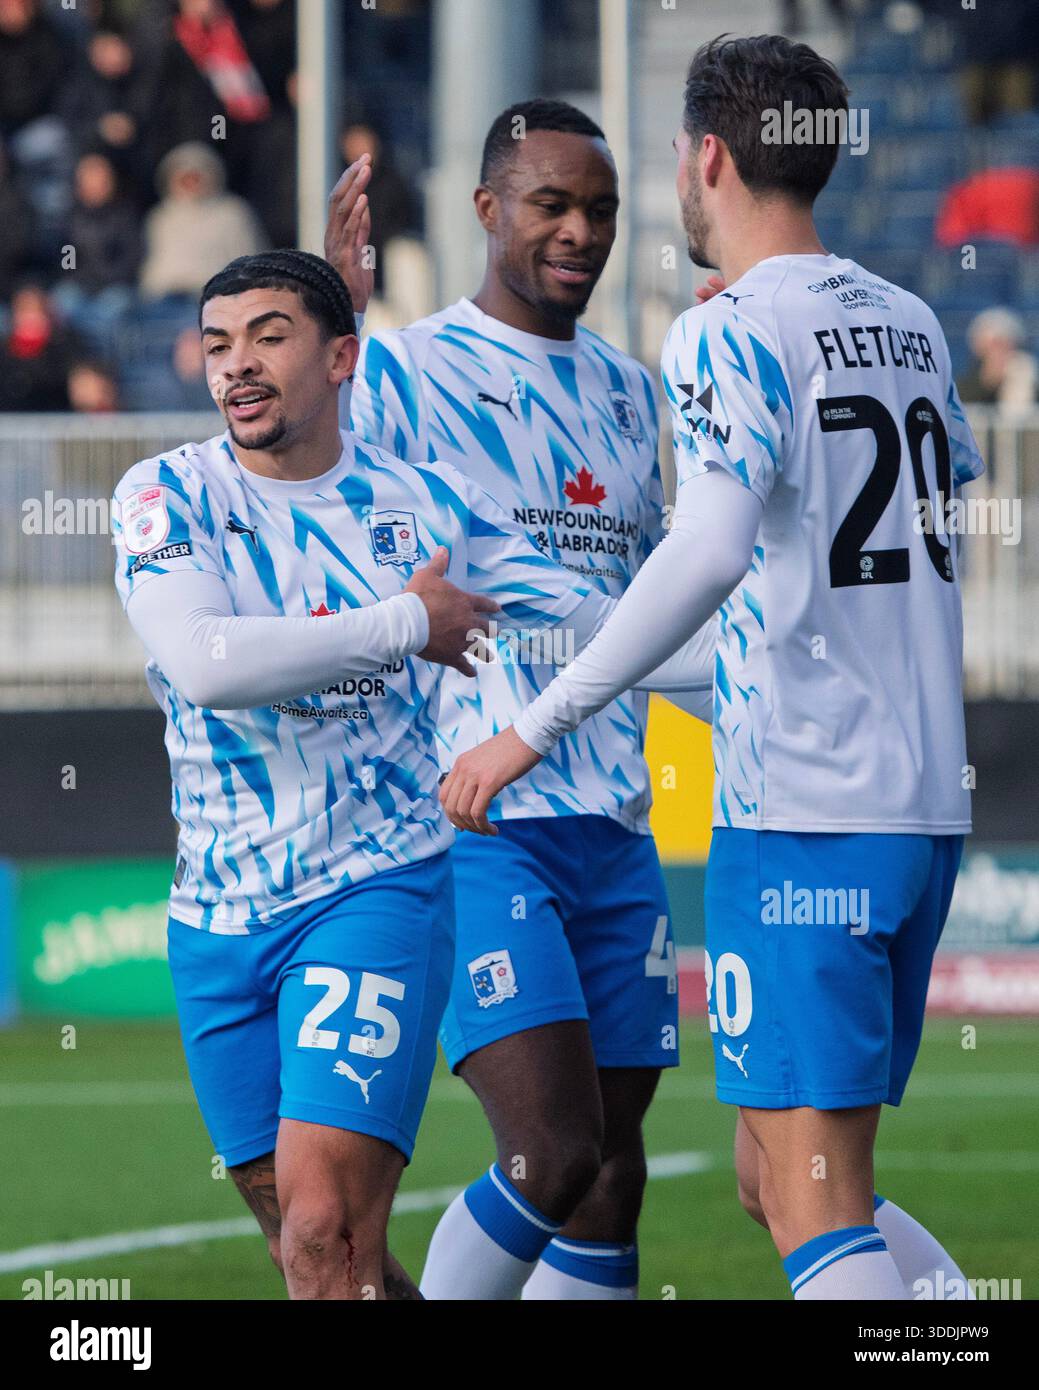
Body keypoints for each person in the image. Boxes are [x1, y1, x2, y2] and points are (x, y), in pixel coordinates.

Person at [441, 36, 985, 1302]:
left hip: (801, 811)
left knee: (813, 1212)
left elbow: (709, 554)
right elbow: (898, 518)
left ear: (706, 157)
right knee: (771, 1170)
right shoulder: (906, 319)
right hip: (916, 810)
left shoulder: (729, 329)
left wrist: (533, 725)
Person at [110, 249, 706, 1299]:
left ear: (343, 356)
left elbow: (598, 628)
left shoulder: (432, 506)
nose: (236, 365)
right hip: (214, 914)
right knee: (314, 1245)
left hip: (377, 885)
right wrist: (404, 624)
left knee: (324, 1224)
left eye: (268, 336)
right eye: (217, 344)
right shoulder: (165, 494)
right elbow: (205, 665)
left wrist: (762, 683)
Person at [327, 102, 714, 1302]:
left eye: (598, 208)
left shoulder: (627, 390)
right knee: (547, 1147)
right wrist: (324, 330)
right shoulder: (401, 368)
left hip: (615, 815)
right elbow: (292, 474)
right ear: (487, 208)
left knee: (609, 1170)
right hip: (475, 816)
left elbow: (657, 596)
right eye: (550, 202)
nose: (580, 230)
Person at [139, 141, 265, 301]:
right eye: (184, 179)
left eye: (195, 178)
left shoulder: (232, 212)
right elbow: (153, 265)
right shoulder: (161, 217)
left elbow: (248, 261)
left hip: (213, 296)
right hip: (165, 298)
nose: (190, 185)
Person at [958, 307, 1038, 412]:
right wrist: (988, 380)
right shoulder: (968, 382)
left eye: (1002, 344)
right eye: (992, 345)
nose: (997, 352)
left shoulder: (1027, 372)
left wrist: (1023, 383)